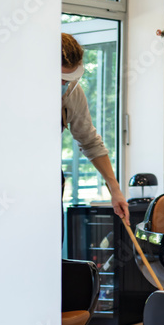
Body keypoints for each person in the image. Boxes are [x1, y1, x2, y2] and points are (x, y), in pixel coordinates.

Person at [62, 32, 129, 220]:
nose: (64, 84)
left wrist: (115, 190)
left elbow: (90, 142)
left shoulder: (72, 91)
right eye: (60, 78)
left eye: (68, 79)